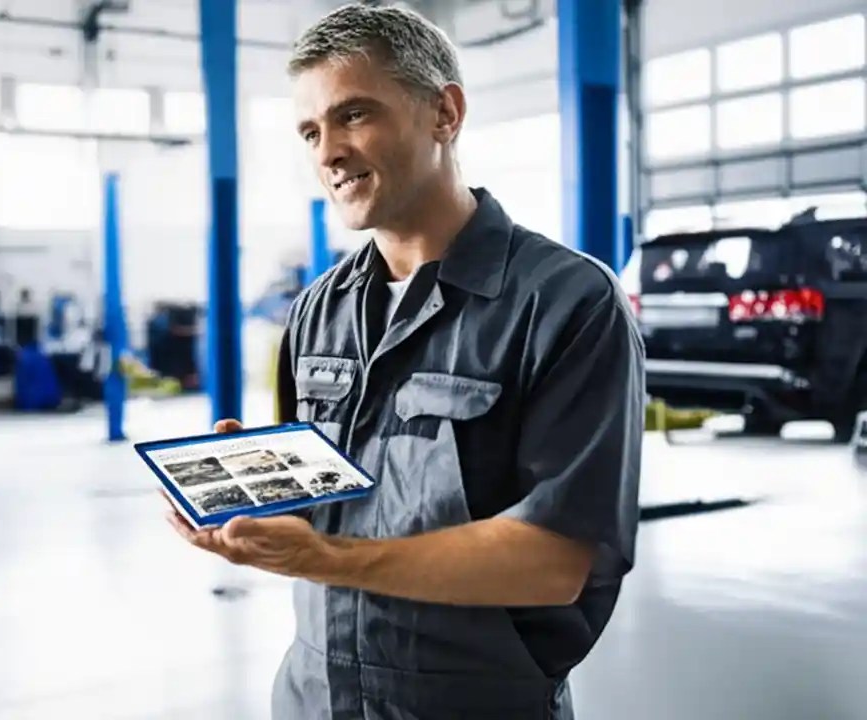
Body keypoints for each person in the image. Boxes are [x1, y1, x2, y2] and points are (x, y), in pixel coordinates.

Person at [166, 5, 643, 719]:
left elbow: (555, 561)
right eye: (310, 131)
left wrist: (325, 559)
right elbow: (328, 503)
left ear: (444, 113)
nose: (328, 151)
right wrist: (257, 487)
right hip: (316, 699)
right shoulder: (317, 310)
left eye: (354, 115)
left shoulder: (567, 303)